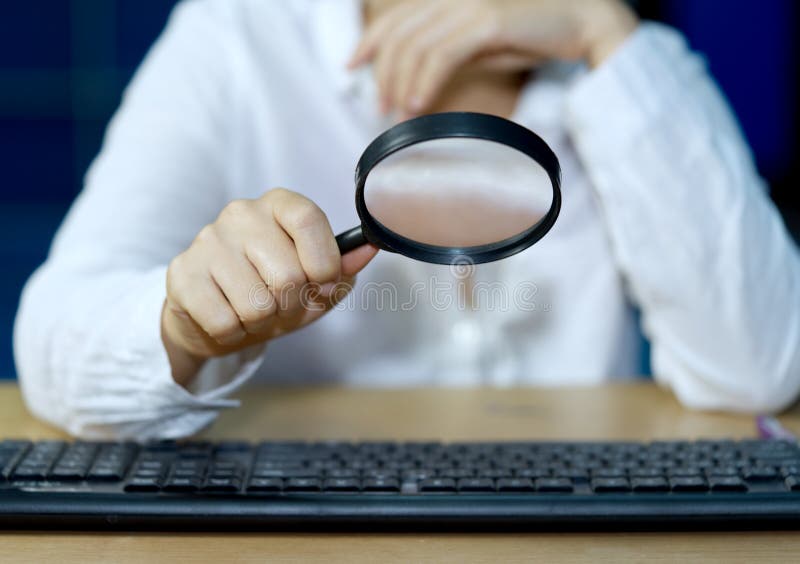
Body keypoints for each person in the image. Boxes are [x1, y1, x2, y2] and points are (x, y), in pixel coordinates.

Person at [14, 0, 800, 439]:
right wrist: (184, 329)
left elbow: (760, 371)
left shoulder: (633, 62)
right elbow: (54, 342)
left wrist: (605, 36)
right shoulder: (237, 38)